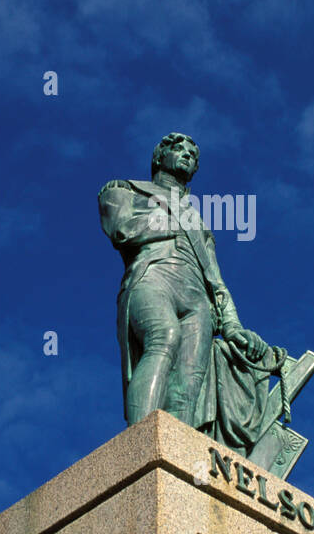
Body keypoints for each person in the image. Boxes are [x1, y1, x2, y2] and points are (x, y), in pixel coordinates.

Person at [98, 132, 276, 452]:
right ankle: (139, 447)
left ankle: (175, 455)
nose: (187, 155)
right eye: (178, 147)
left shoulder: (200, 224)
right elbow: (121, 228)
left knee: (189, 384)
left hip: (198, 301)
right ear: (158, 157)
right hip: (154, 276)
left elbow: (216, 282)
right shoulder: (124, 189)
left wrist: (233, 326)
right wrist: (179, 216)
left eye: (193, 153)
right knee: (163, 337)